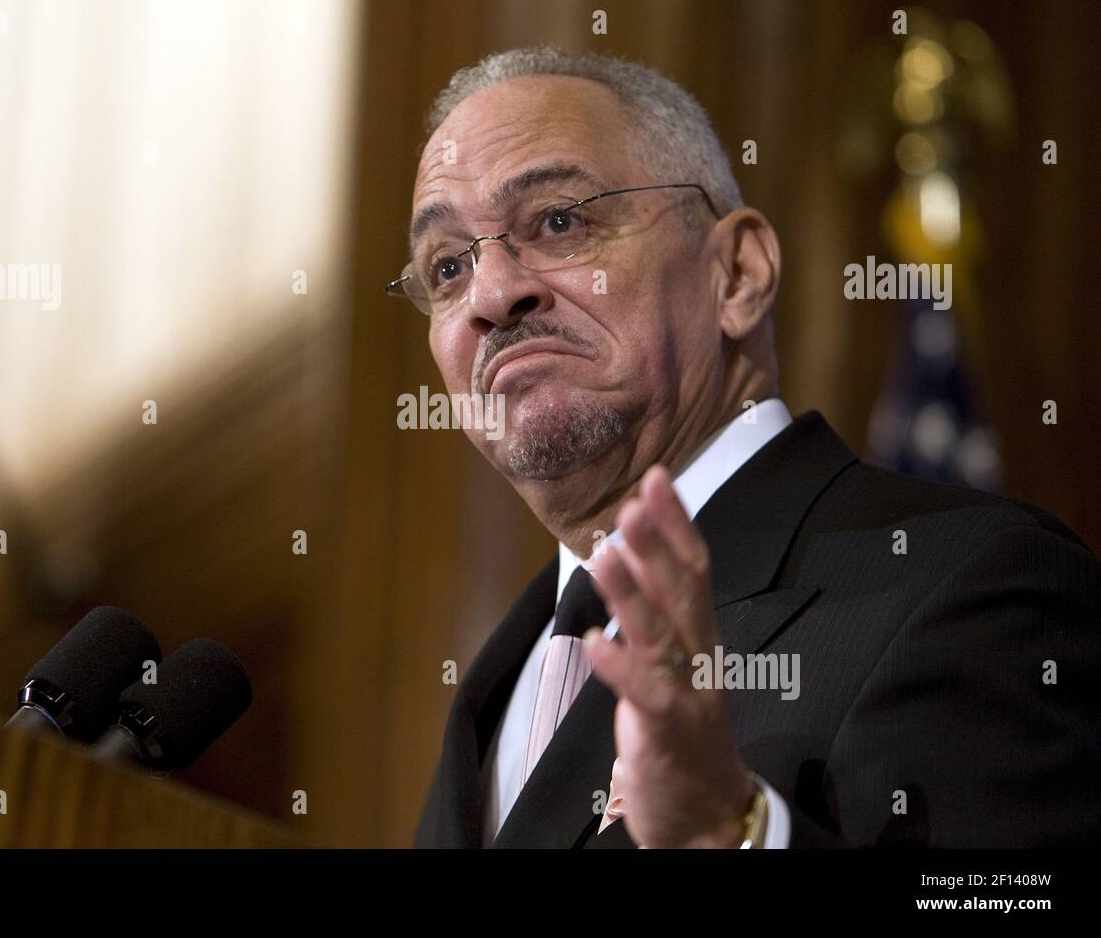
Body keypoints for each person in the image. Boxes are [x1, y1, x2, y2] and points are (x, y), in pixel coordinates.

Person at [394, 47, 1101, 848]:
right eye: (447, 266)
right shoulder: (497, 686)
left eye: (560, 221)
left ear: (736, 274)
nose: (490, 295)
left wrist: (732, 836)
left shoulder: (974, 584)